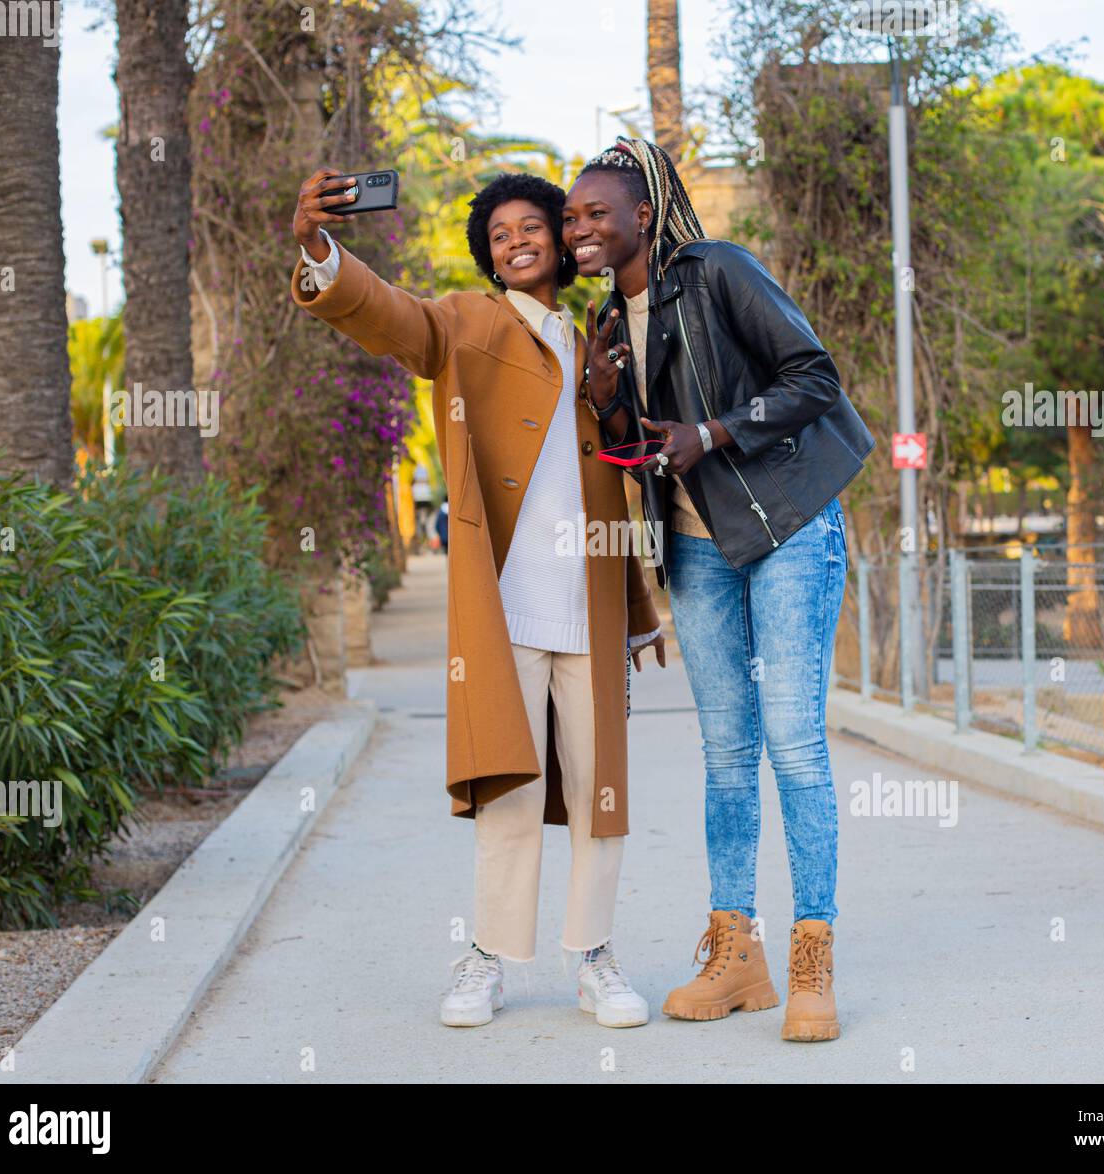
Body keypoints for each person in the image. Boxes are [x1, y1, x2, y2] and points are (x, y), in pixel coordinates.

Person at [291, 168, 666, 1029]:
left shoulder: (599, 337)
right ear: (488, 257)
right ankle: (488, 957)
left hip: (591, 607)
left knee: (604, 793)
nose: (518, 241)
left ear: (563, 243)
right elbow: (391, 314)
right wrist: (319, 249)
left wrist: (638, 613)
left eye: (533, 226)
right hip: (508, 613)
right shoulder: (464, 323)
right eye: (500, 235)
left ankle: (595, 957)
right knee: (511, 789)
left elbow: (616, 481)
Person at [564, 137, 875, 1042]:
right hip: (696, 547)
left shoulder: (716, 271)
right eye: (572, 216)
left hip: (787, 523)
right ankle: (735, 952)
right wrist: (605, 398)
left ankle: (813, 954)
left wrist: (718, 431)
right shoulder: (610, 323)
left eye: (595, 214)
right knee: (727, 752)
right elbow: (640, 448)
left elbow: (815, 377)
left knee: (793, 739)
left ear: (644, 217)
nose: (578, 228)